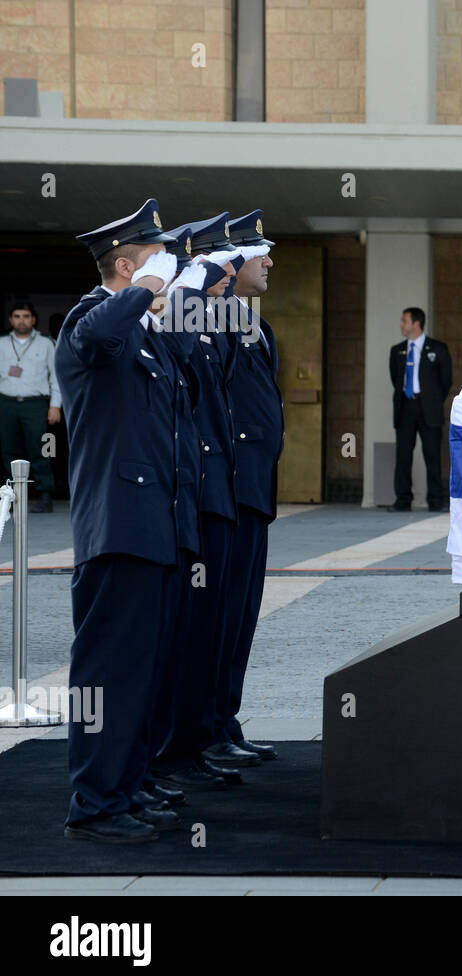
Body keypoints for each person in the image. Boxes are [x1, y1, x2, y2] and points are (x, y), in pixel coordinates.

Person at [56, 199, 198, 843]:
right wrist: (144, 288)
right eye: (154, 258)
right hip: (115, 526)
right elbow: (99, 335)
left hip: (153, 528)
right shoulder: (92, 320)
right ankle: (94, 803)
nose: (167, 272)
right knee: (105, 674)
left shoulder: (144, 334)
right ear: (123, 264)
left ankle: (127, 785)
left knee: (142, 671)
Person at [151, 215, 253, 790]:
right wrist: (189, 295)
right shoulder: (180, 322)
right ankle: (174, 749)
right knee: (188, 632)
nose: (230, 272)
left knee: (215, 624)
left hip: (217, 491)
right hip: (191, 496)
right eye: (222, 263)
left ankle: (196, 739)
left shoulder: (217, 321)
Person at [204, 208, 282, 769]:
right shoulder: (209, 321)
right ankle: (202, 729)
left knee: (242, 616)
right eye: (261, 253)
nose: (270, 262)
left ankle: (224, 720)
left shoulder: (255, 321)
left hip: (255, 489)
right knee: (218, 616)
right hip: (227, 490)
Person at [390, 306, 453, 511]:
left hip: (429, 408)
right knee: (403, 456)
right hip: (406, 406)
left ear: (416, 323)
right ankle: (402, 500)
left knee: (433, 455)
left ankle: (435, 501)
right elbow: (395, 379)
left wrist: (432, 399)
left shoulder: (438, 348)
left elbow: (446, 381)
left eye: (404, 321)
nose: (401, 325)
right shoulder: (397, 350)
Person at [1, 301, 61, 512]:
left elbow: (56, 376)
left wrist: (55, 405)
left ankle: (45, 496)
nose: (21, 320)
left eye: (25, 316)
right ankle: (10, 498)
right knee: (8, 451)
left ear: (33, 319)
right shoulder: (1, 343)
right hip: (6, 403)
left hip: (35, 404)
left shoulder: (46, 343)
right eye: (17, 316)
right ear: (11, 320)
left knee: (42, 450)